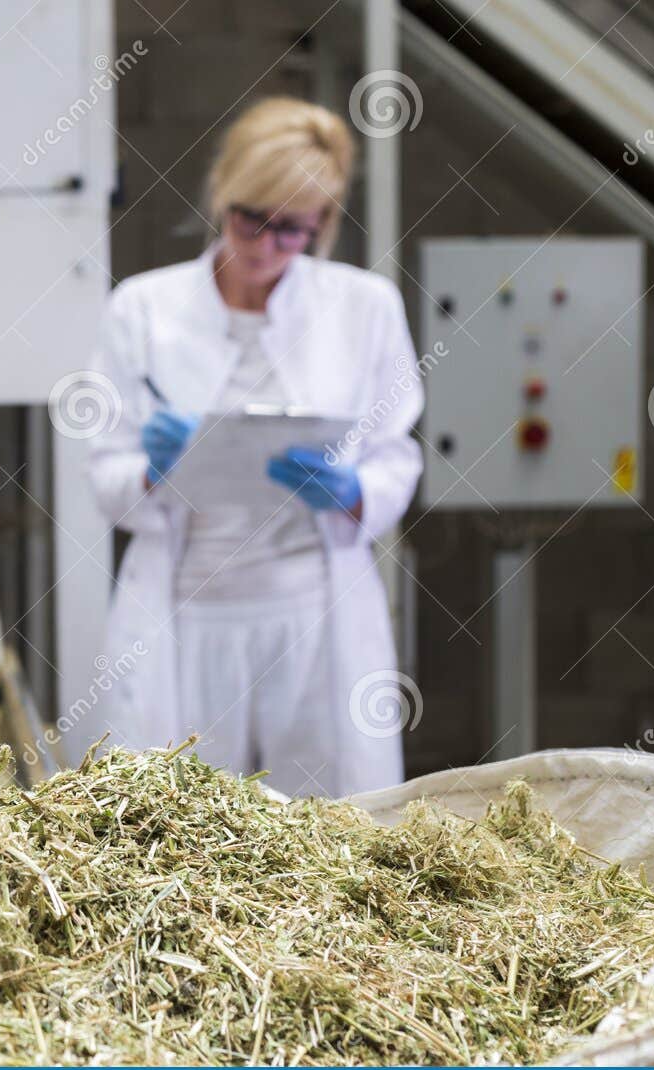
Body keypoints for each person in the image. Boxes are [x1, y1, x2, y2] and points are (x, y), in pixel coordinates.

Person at [85, 97, 422, 797]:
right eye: (249, 219)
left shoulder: (364, 309)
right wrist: (154, 472)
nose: (264, 245)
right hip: (187, 613)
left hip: (313, 615)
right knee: (183, 836)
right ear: (223, 197)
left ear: (324, 225)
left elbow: (396, 455)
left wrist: (356, 491)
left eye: (291, 230)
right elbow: (105, 475)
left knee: (331, 833)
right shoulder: (144, 310)